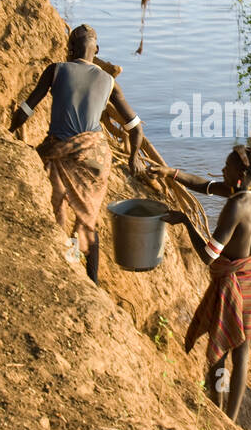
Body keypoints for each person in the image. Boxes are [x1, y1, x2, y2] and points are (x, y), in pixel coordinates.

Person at [9, 24, 154, 282]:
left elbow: (27, 109)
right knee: (88, 217)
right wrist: (133, 159)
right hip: (96, 157)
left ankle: (65, 263)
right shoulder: (109, 82)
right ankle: (91, 278)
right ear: (96, 49)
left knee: (60, 203)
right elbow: (135, 127)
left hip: (62, 153)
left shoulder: (56, 70)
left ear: (70, 49)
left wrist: (8, 131)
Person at [156, 145, 251, 423]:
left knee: (221, 341)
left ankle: (218, 411)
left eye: (227, 167)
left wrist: (185, 221)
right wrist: (173, 174)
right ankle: (231, 416)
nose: (222, 170)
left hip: (233, 281)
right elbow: (208, 186)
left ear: (239, 176)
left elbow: (207, 256)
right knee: (241, 350)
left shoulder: (235, 206)